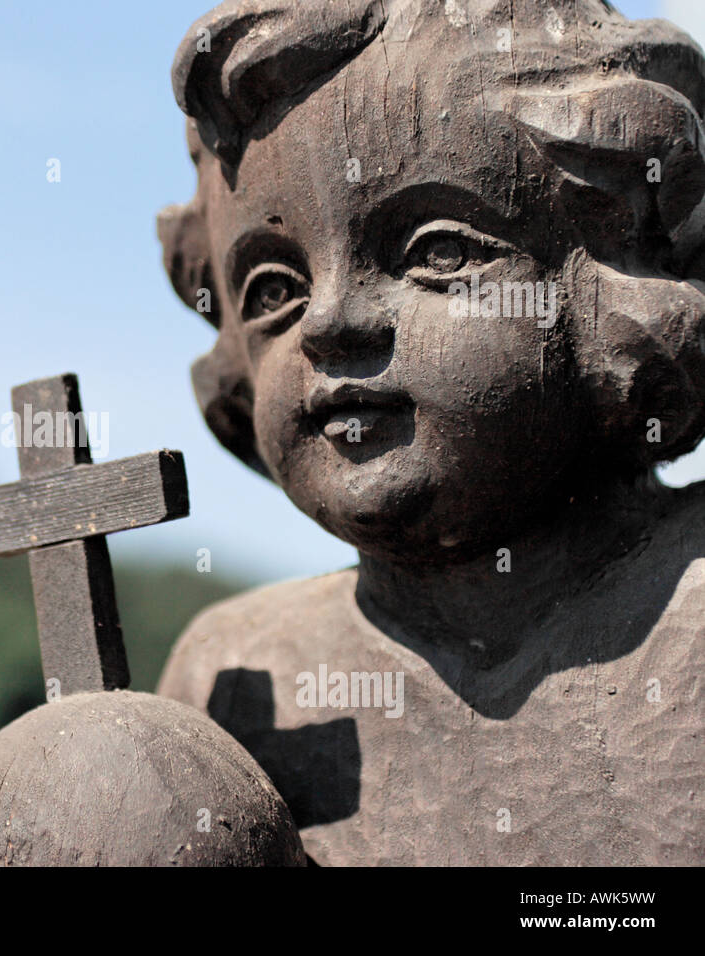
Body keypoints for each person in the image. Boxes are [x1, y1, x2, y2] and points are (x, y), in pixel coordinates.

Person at [155, 0, 705, 864]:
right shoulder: (235, 679)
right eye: (273, 289)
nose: (329, 324)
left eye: (437, 252)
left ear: (616, 274)